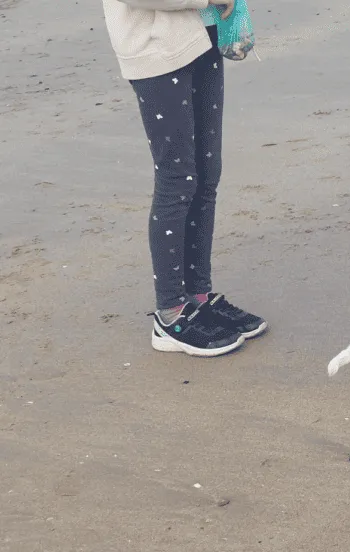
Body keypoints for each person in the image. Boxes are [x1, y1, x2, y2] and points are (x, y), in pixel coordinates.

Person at [102, 0, 267, 357]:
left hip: (201, 35)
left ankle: (198, 297)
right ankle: (170, 313)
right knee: (177, 180)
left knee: (207, 175)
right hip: (155, 48)